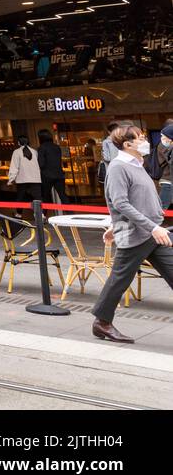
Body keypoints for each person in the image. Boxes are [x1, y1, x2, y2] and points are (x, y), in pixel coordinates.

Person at [92, 125, 173, 343]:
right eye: (141, 138)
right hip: (140, 234)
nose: (146, 141)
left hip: (152, 233)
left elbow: (133, 200)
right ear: (128, 144)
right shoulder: (118, 167)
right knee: (119, 279)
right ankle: (102, 323)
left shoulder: (137, 164)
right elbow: (119, 201)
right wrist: (149, 227)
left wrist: (115, 224)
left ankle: (101, 322)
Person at [144, 122, 173, 211]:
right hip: (167, 179)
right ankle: (154, 223)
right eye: (162, 136)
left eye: (164, 136)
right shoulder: (163, 145)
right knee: (162, 207)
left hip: (168, 179)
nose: (162, 138)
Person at [7, 135, 41, 206]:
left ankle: (19, 214)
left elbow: (14, 166)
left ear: (19, 142)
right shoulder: (34, 151)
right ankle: (41, 214)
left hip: (22, 179)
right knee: (37, 198)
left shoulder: (16, 152)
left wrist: (11, 179)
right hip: (35, 179)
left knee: (20, 198)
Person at [37, 129, 68, 205]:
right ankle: (70, 212)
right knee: (63, 195)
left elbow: (41, 164)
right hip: (59, 175)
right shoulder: (57, 147)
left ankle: (43, 215)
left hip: (47, 175)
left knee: (46, 196)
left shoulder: (42, 148)